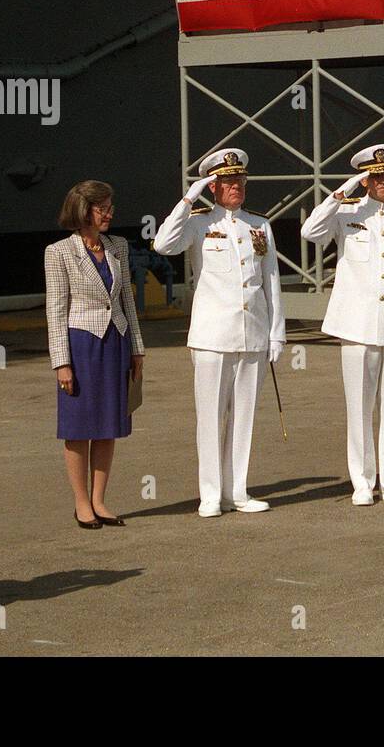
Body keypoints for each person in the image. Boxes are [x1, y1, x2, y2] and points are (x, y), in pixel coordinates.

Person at [152, 148, 285, 518]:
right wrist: (188, 198)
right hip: (212, 335)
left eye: (239, 181)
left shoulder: (259, 225)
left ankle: (237, 490)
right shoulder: (198, 223)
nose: (235, 187)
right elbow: (163, 244)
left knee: (244, 415)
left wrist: (276, 334)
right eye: (226, 182)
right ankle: (210, 493)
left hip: (253, 333)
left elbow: (270, 282)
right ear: (213, 187)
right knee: (210, 415)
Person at [300, 144, 384, 506]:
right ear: (365, 179)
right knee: (359, 408)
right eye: (375, 175)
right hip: (357, 326)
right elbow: (310, 232)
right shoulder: (346, 214)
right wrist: (342, 192)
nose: (383, 180)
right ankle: (362, 480)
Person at [44, 180, 145, 529]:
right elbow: (55, 310)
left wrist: (137, 348)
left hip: (116, 340)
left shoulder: (118, 246)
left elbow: (126, 300)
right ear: (83, 210)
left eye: (110, 207)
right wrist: (62, 362)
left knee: (108, 425)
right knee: (78, 426)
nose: (109, 214)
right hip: (82, 344)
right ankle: (81, 503)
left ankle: (100, 500)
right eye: (103, 208)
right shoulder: (58, 253)